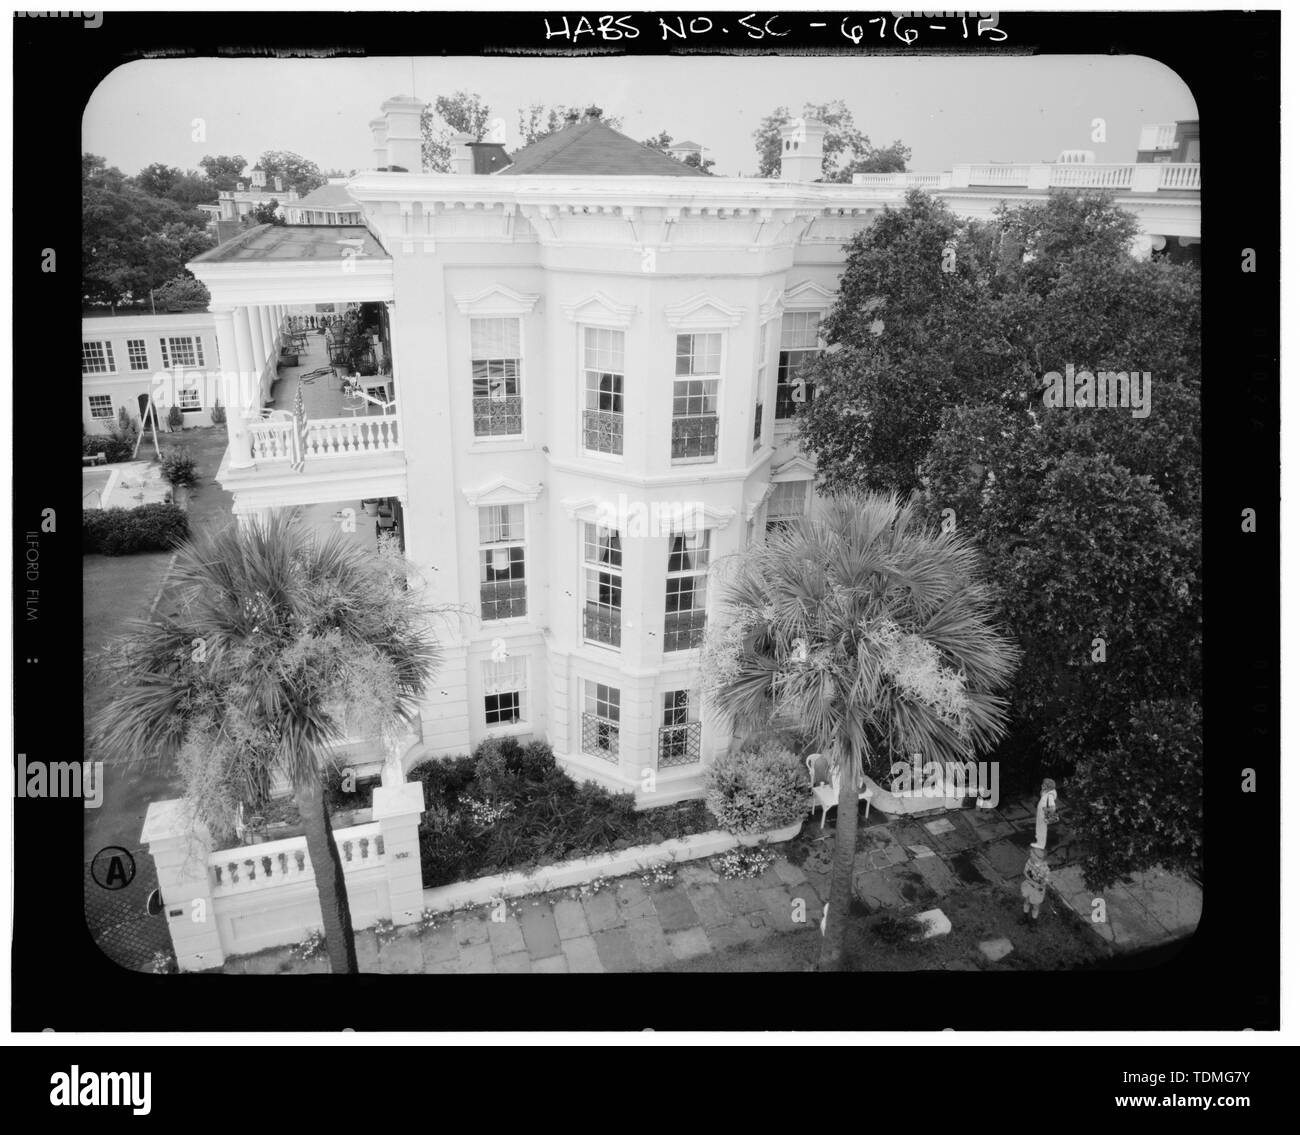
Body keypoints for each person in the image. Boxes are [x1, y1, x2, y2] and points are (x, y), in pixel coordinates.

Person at [1021, 845, 1050, 926]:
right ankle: (1025, 917)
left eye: (1032, 853)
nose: (1030, 854)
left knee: (1036, 906)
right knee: (1026, 901)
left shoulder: (1045, 869)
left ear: (1039, 858)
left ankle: (1033, 921)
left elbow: (1045, 882)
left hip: (1037, 890)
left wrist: (1039, 885)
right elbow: (1025, 872)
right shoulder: (1030, 861)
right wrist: (1033, 882)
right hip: (1029, 886)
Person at [1031, 777, 1058, 850]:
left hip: (1043, 815)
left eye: (1044, 785)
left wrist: (1045, 810)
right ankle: (1039, 840)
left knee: (1041, 828)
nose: (1042, 785)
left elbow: (1052, 807)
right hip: (1041, 814)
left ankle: (1041, 844)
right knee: (1039, 827)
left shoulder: (1050, 795)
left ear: (1048, 786)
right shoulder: (1046, 793)